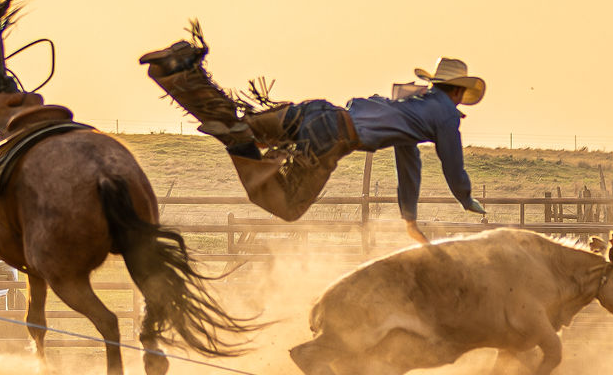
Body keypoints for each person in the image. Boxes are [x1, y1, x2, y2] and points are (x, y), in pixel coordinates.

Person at [139, 29, 487, 238]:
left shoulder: (409, 103)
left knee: (235, 122)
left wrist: (407, 214)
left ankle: (178, 69)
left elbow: (409, 163)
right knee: (285, 206)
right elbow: (452, 167)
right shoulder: (444, 116)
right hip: (330, 137)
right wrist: (464, 198)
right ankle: (239, 141)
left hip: (315, 111)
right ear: (457, 92)